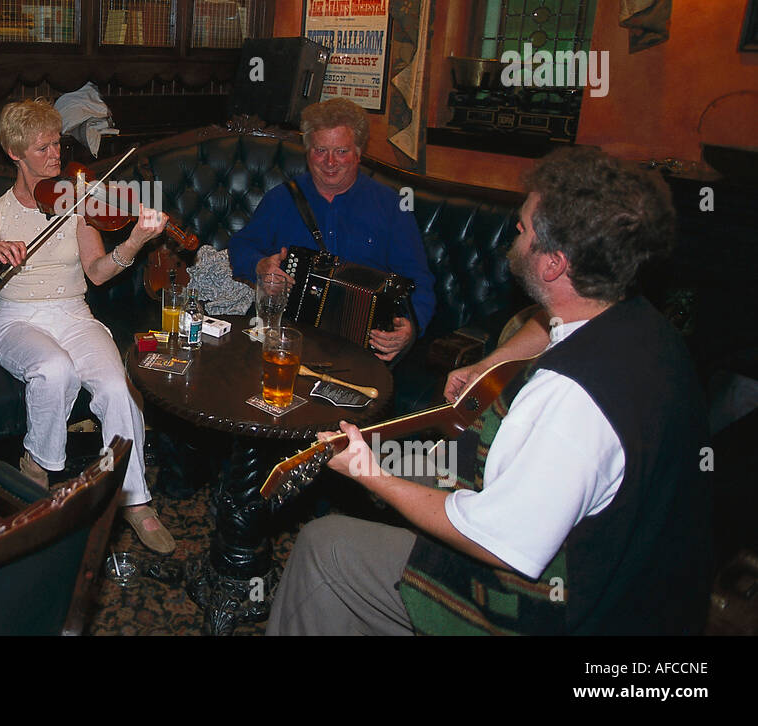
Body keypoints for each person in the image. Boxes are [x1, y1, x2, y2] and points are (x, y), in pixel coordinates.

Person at [267, 147, 712, 635]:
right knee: (434, 467)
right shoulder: (642, 324)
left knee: (325, 544)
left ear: (553, 264)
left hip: (571, 610)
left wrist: (371, 475)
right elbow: (551, 327)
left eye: (522, 229)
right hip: (645, 582)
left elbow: (499, 542)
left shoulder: (569, 397)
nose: (513, 234)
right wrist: (490, 363)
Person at [0, 99, 175, 553]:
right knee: (55, 369)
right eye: (42, 149)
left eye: (57, 143)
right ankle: (38, 469)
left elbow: (97, 272)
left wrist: (135, 240)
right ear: (15, 154)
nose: (56, 155)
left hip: (74, 313)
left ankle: (135, 498)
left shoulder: (74, 200)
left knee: (117, 384)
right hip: (17, 319)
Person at [227, 99, 435, 361]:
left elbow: (419, 280)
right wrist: (260, 267)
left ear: (359, 152)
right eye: (320, 150)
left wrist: (410, 328)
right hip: (288, 338)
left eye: (342, 151)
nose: (330, 162)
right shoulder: (282, 199)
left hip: (362, 348)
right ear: (307, 151)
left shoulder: (391, 206)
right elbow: (240, 246)